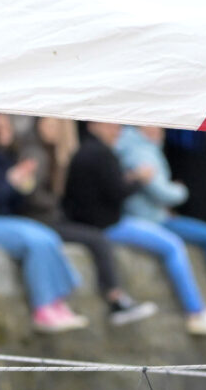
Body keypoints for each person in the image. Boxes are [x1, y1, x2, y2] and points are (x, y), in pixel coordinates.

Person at [80, 121, 206, 335]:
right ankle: (196, 312)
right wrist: (173, 189)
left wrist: (135, 180)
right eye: (111, 127)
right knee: (173, 245)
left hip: (146, 217)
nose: (116, 131)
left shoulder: (117, 150)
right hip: (123, 221)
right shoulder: (121, 151)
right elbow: (130, 191)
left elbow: (118, 188)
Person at [0, 114, 88, 332]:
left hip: (2, 221)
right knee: (33, 241)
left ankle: (57, 300)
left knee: (48, 236)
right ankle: (42, 306)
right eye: (2, 126)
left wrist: (23, 183)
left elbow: (12, 201)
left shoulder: (5, 156)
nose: (9, 130)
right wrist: (10, 182)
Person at [25, 117, 158, 325]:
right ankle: (114, 299)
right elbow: (32, 194)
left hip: (66, 219)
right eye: (112, 124)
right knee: (167, 245)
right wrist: (140, 180)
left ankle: (68, 303)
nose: (117, 130)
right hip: (71, 222)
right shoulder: (38, 154)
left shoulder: (67, 152)